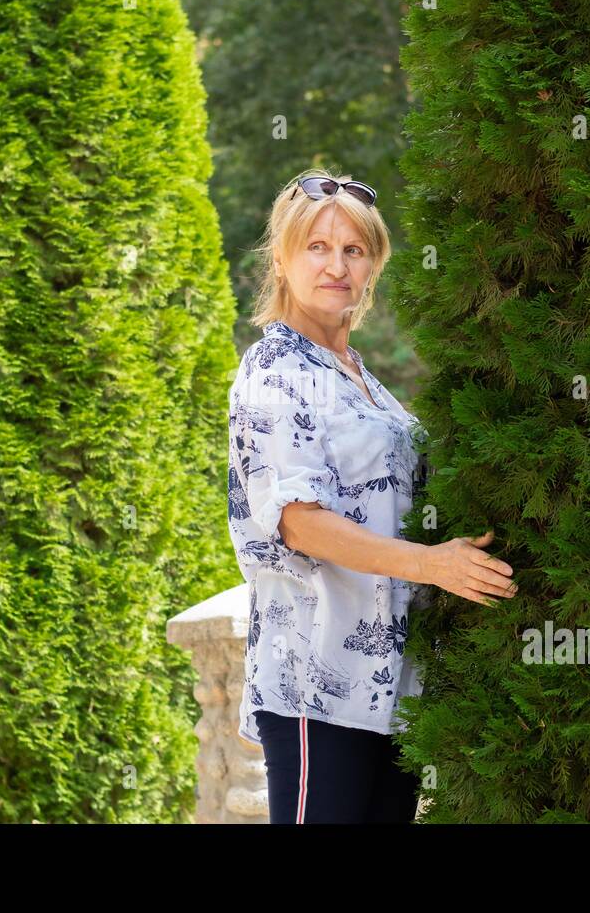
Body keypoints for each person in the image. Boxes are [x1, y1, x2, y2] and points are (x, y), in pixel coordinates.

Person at [226, 169, 519, 824]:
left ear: (374, 265)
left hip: (390, 690)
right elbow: (299, 524)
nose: (337, 265)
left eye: (354, 250)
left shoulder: (365, 382)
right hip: (315, 686)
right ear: (282, 258)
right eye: (318, 248)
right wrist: (431, 562)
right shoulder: (275, 370)